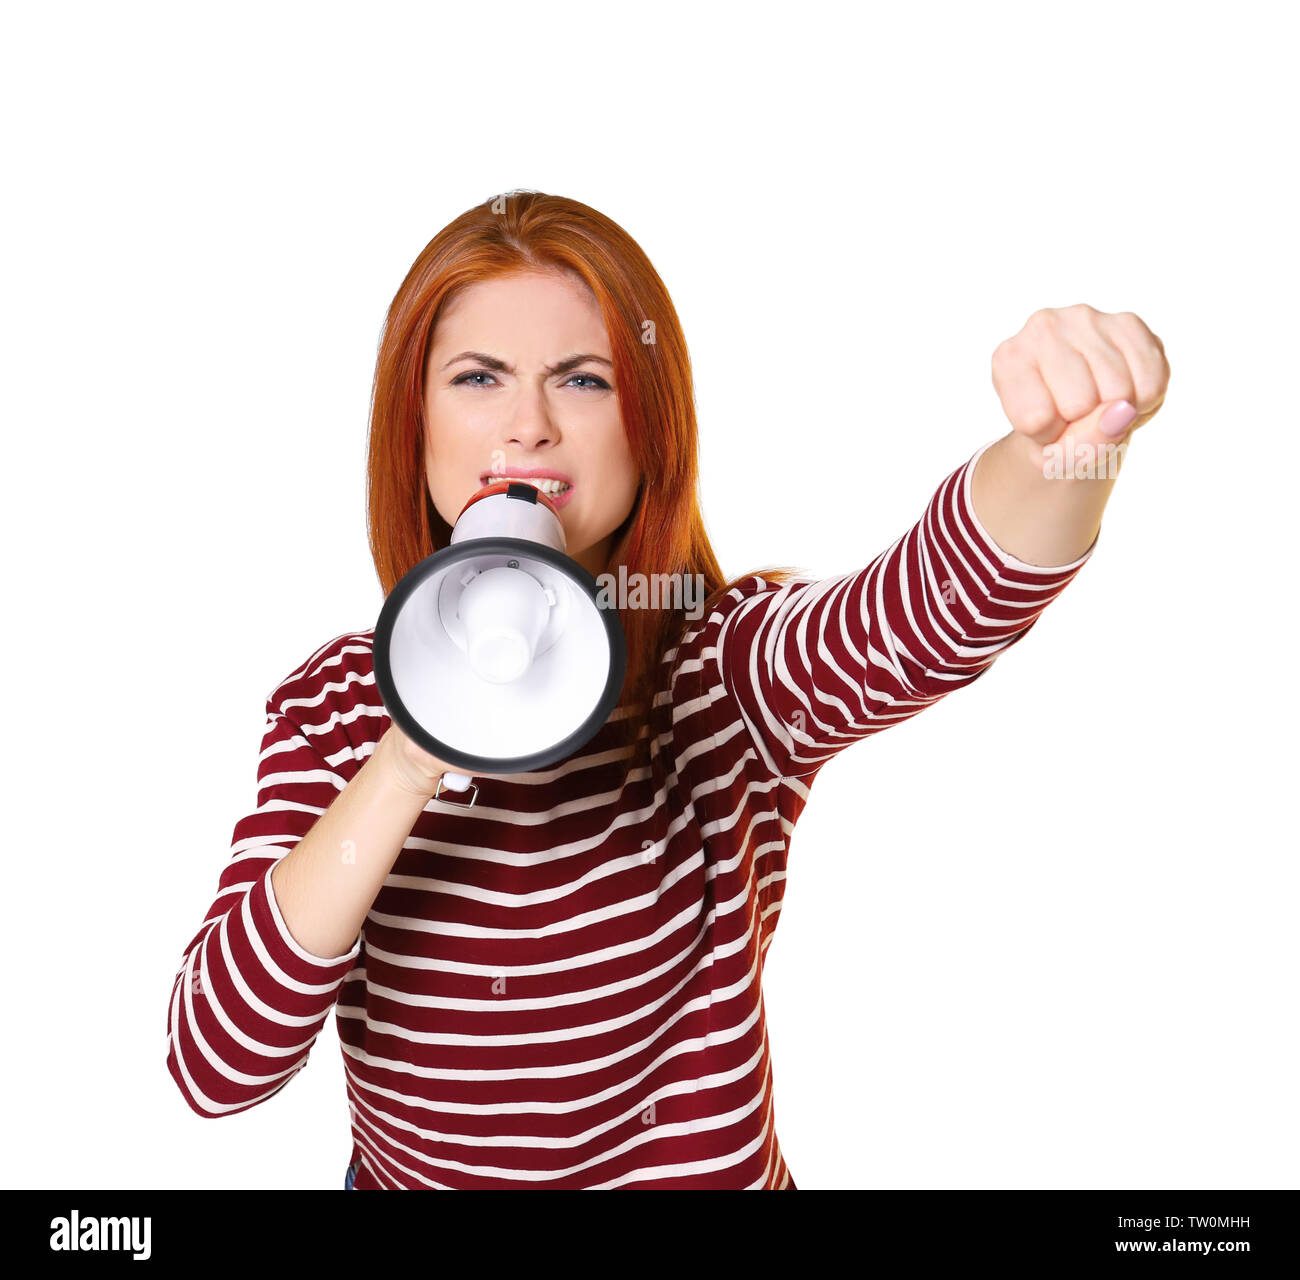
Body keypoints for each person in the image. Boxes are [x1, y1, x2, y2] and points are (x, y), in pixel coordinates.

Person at [164, 191, 1169, 1189]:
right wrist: (409, 749)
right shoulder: (335, 705)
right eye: (477, 377)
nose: (528, 425)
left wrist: (1067, 447)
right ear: (413, 421)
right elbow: (217, 1064)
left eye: (584, 380)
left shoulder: (715, 675)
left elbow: (919, 612)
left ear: (649, 428)